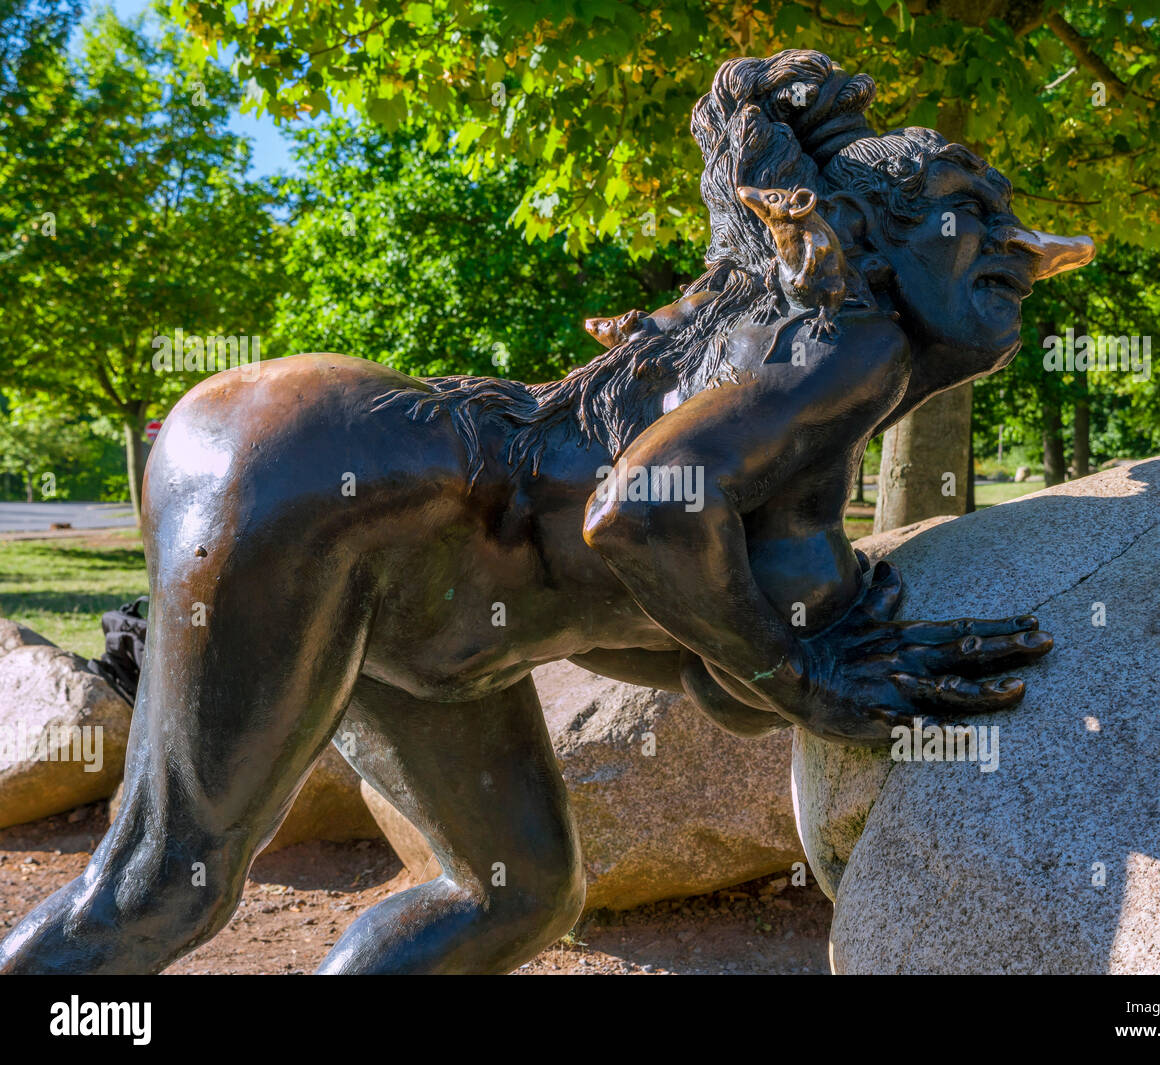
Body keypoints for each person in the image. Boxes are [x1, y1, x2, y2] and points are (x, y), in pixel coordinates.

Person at [0, 51, 1090, 976]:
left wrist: (774, 665)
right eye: (974, 208)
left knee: (519, 895)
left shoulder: (786, 371)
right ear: (870, 226)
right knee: (159, 890)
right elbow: (642, 511)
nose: (1014, 242)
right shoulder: (840, 338)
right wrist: (802, 674)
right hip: (331, 483)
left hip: (430, 598)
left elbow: (651, 615)